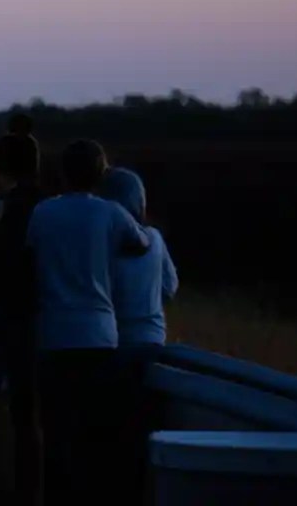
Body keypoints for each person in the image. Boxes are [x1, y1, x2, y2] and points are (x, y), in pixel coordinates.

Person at [25, 140, 150, 503]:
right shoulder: (111, 214)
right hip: (99, 338)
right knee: (94, 433)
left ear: (62, 173)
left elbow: (32, 255)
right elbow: (142, 243)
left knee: (57, 433)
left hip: (53, 336)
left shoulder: (43, 213)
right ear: (100, 175)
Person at [99, 166, 178, 500]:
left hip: (113, 345)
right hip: (152, 346)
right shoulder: (156, 239)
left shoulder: (102, 243)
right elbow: (170, 287)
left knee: (113, 432)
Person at [0, 120, 44, 506]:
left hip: (15, 325)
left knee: (18, 417)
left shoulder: (8, 211)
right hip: (50, 324)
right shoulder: (48, 205)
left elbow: (3, 268)